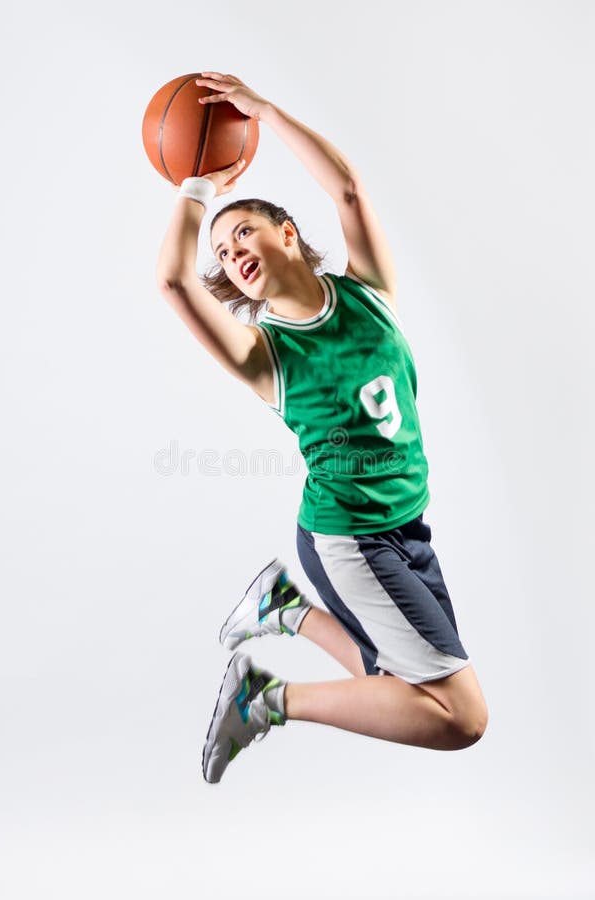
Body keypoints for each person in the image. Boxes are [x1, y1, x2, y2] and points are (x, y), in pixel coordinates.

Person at [156, 72, 488, 784]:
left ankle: (284, 611)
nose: (231, 253)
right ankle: (264, 699)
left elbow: (347, 190)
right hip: (349, 537)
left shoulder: (370, 292)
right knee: (459, 715)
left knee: (391, 678)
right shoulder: (265, 356)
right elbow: (174, 284)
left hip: (404, 525)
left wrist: (266, 112)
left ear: (286, 232)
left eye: (242, 231)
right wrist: (196, 190)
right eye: (221, 254)